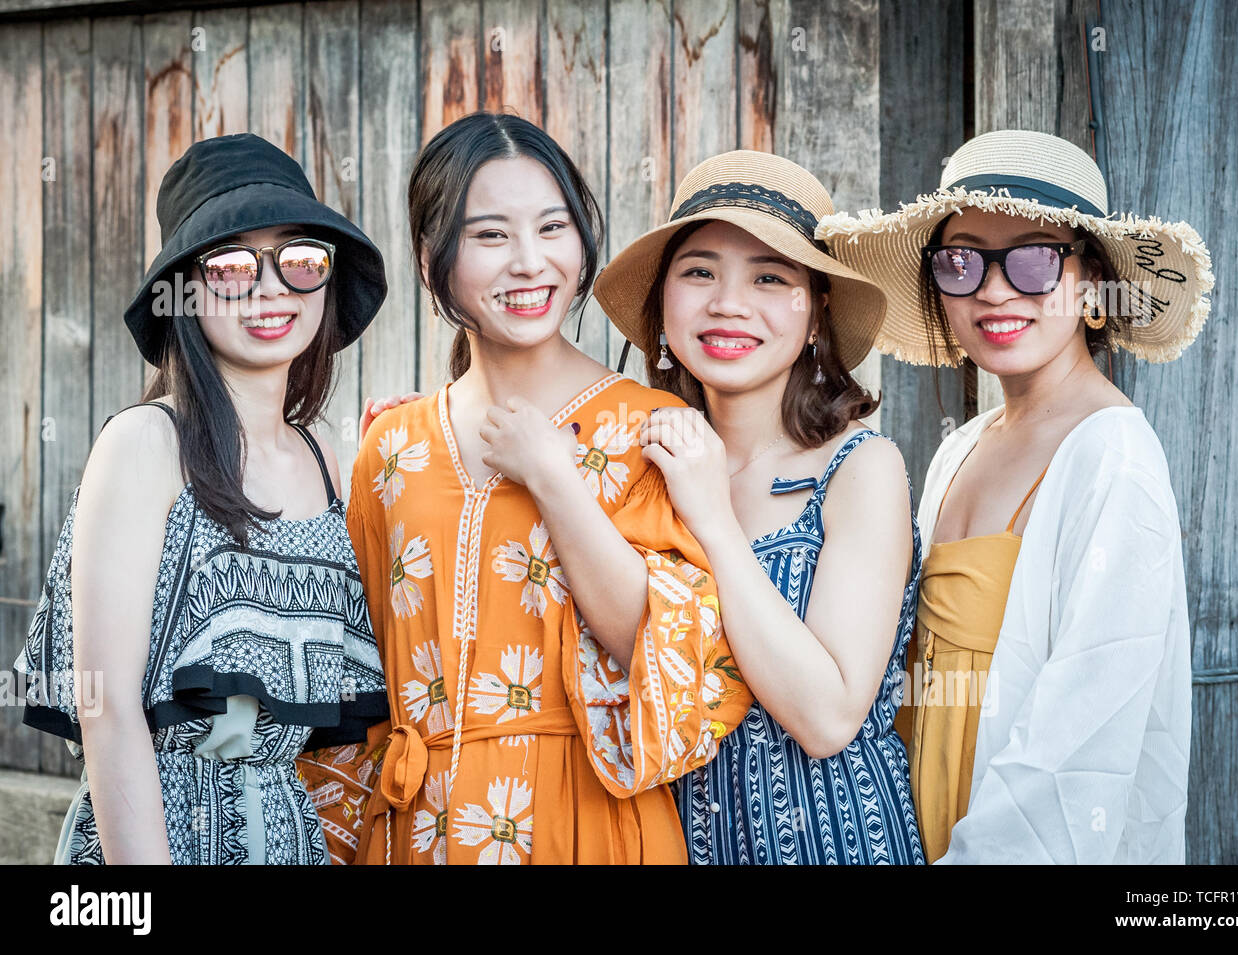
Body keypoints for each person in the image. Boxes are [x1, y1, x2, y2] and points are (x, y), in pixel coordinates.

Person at [301, 112, 751, 865]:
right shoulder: (392, 446)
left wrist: (551, 474)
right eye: (489, 236)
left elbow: (656, 646)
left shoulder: (651, 426)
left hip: (585, 821)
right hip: (418, 826)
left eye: (552, 228)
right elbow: (356, 679)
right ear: (429, 259)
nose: (529, 262)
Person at [819, 128, 1211, 863]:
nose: (996, 289)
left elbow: (1084, 733)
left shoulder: (1112, 455)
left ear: (1092, 282)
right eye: (962, 261)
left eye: (1034, 258)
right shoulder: (957, 449)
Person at [13, 133, 390, 864]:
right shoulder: (144, 445)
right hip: (157, 835)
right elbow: (107, 706)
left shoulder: (321, 461)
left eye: (301, 258)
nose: (271, 286)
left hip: (287, 838)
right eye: (231, 264)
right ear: (184, 287)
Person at [590, 150, 926, 864]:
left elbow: (829, 716)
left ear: (815, 317)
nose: (728, 303)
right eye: (699, 271)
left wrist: (712, 519)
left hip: (839, 841)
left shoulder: (860, 469)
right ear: (661, 307)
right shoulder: (632, 468)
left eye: (769, 277)